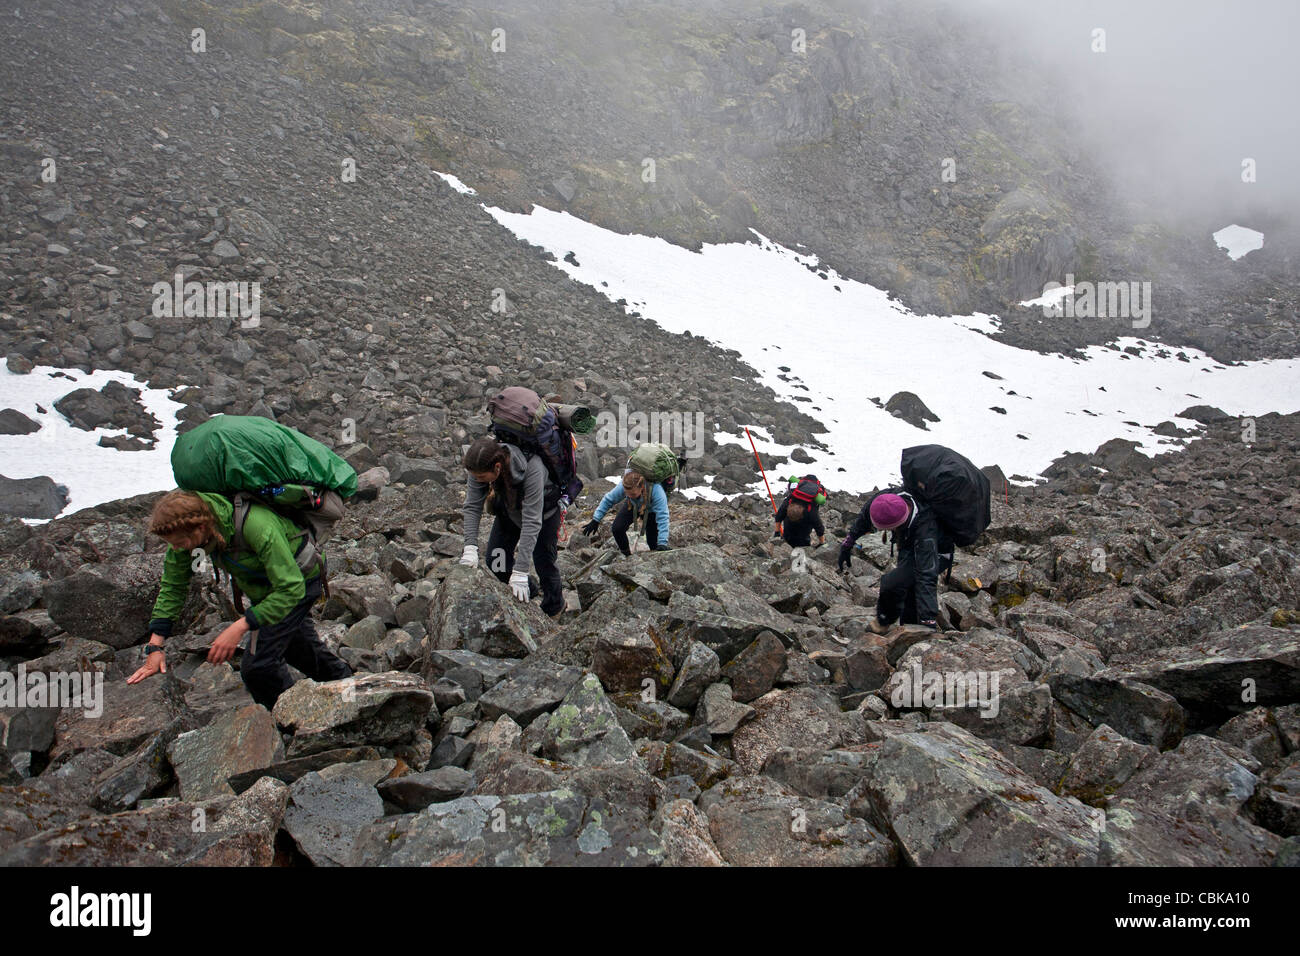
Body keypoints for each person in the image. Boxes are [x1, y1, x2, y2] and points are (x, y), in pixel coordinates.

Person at [129, 490, 352, 709]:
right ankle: (352, 689)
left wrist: (240, 626)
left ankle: (292, 722)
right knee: (298, 649)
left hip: (300, 581)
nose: (176, 548)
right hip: (268, 590)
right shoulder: (188, 536)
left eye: (180, 543)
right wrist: (155, 646)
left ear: (201, 527)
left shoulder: (257, 525)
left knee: (258, 667)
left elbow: (290, 589)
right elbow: (173, 585)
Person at [459, 435, 565, 617]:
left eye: (482, 477)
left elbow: (532, 521)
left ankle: (554, 606)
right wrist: (470, 546)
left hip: (544, 517)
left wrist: (521, 570)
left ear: (497, 467)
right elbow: (472, 506)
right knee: (496, 562)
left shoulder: (533, 467)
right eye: (474, 477)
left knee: (544, 563)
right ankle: (530, 591)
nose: (477, 480)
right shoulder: (478, 467)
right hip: (508, 512)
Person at [838, 491, 954, 632]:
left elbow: (926, 575)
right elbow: (865, 517)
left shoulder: (925, 531)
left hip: (938, 553)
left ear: (897, 524)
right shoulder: (885, 501)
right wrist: (847, 544)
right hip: (907, 542)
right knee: (906, 588)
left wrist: (928, 619)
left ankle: (888, 623)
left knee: (893, 582)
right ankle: (908, 628)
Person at [582, 469, 670, 556]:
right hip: (631, 505)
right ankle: (626, 556)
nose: (629, 496)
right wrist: (596, 520)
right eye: (627, 494)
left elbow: (663, 516)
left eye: (632, 494)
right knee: (617, 529)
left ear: (642, 487)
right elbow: (608, 499)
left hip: (651, 511)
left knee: (653, 543)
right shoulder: (624, 486)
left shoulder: (656, 491)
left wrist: (662, 543)